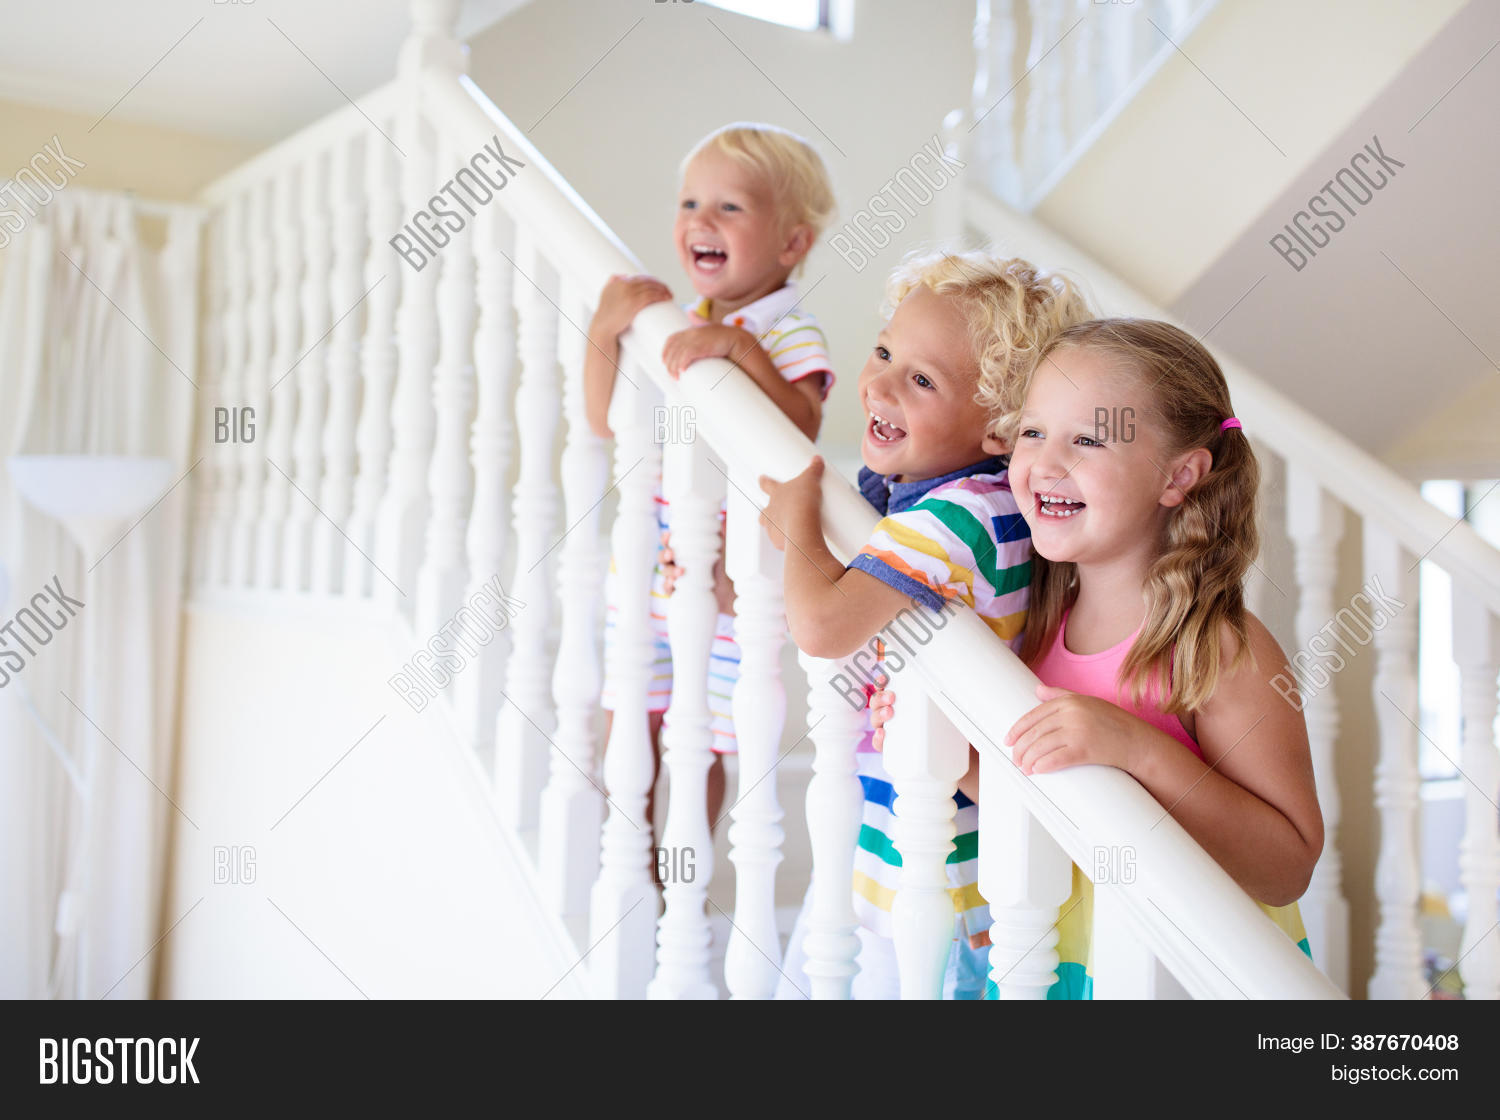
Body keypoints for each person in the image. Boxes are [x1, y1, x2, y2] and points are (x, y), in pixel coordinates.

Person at [869, 317, 1323, 998]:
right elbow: (1055, 810)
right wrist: (955, 762)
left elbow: (1286, 865)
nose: (1047, 463)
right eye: (1032, 432)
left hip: (1176, 973)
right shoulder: (1038, 620)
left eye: (1086, 439)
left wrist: (1138, 751)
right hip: (1057, 960)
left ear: (1180, 475)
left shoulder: (1219, 646)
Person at [759, 250, 1092, 998]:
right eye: (884, 351)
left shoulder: (959, 514)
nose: (877, 383)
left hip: (927, 862)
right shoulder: (968, 499)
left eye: (921, 380)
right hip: (930, 843)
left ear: (1004, 429)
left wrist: (799, 518)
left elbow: (821, 625)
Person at [586, 122, 836, 831]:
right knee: (631, 701)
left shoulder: (789, 332)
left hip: (730, 568)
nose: (701, 220)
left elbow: (801, 425)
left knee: (705, 729)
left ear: (792, 243)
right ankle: (631, 848)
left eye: (730, 207)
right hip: (650, 552)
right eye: (690, 202)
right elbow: (604, 418)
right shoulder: (677, 321)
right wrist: (607, 331)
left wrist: (739, 349)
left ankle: (683, 849)